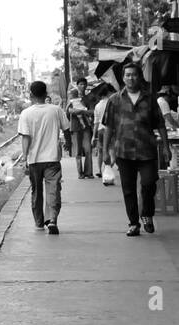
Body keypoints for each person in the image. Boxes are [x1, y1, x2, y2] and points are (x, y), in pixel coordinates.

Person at [103, 63, 170, 237]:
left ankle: (146, 214)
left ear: (139, 77)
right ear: (123, 78)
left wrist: (166, 147)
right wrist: (105, 151)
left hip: (146, 149)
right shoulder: (115, 100)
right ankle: (133, 223)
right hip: (123, 151)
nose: (130, 78)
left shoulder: (149, 99)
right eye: (127, 75)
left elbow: (160, 124)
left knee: (148, 183)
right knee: (128, 188)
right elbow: (109, 127)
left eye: (134, 75)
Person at [18, 80, 68, 235]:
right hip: (52, 158)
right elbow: (66, 129)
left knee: (36, 191)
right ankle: (52, 220)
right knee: (53, 190)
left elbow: (25, 138)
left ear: (31, 95)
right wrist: (69, 145)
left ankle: (39, 222)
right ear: (46, 93)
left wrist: (24, 158)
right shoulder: (56, 110)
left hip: (34, 160)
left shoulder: (26, 113)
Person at [67, 79, 95, 179]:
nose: (82, 86)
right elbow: (69, 110)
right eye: (80, 84)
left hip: (86, 127)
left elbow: (92, 111)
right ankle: (80, 173)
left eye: (84, 84)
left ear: (86, 86)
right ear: (77, 85)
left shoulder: (89, 98)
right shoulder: (72, 96)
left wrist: (81, 111)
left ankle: (89, 172)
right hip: (75, 126)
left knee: (88, 149)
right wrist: (81, 111)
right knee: (77, 151)